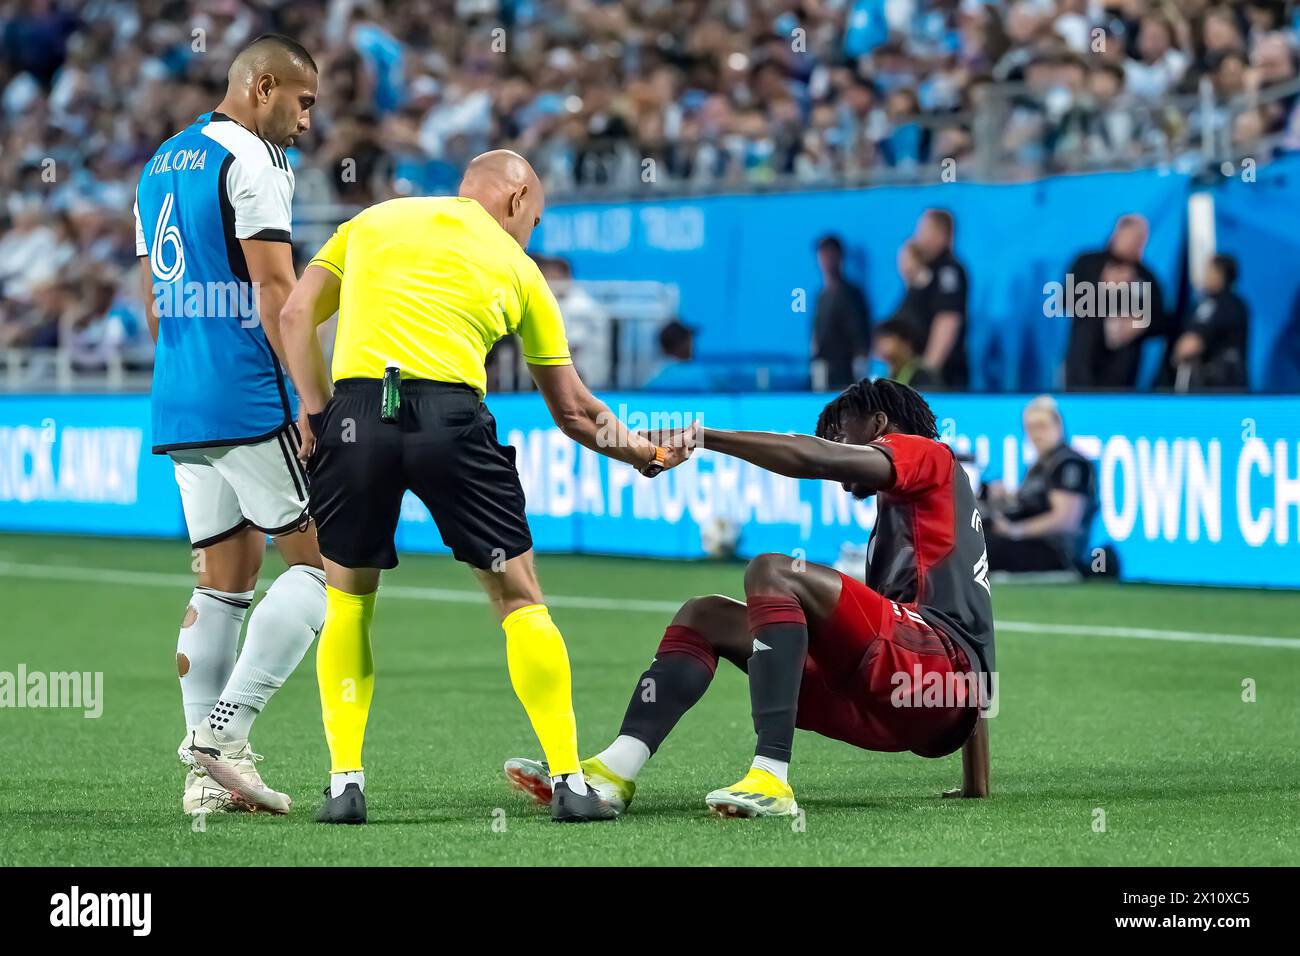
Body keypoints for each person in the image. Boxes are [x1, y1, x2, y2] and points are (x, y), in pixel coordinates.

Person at [278, 149, 694, 825]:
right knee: (517, 595)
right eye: (537, 215)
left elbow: (296, 317)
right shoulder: (518, 269)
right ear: (516, 196)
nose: (533, 229)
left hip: (358, 420)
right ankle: (569, 781)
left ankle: (344, 785)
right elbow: (577, 412)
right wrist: (643, 453)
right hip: (452, 423)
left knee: (349, 601)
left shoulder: (374, 221)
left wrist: (321, 413)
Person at [505, 379, 994, 817]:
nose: (834, 444)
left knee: (774, 571)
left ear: (881, 425)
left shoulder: (928, 454)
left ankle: (771, 776)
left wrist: (703, 436)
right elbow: (978, 641)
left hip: (926, 681)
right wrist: (977, 783)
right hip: (912, 713)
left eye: (840, 432)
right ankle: (613, 771)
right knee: (706, 615)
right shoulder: (919, 515)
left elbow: (813, 457)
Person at [132, 34, 325, 816]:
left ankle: (205, 783)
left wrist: (187, 381)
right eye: (303, 103)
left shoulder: (157, 166)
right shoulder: (251, 158)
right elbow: (277, 290)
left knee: (223, 582)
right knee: (328, 565)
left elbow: (155, 302)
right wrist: (313, 399)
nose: (307, 123)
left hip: (180, 397)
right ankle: (222, 734)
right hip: (245, 395)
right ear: (264, 84)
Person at [982, 396, 1095, 573]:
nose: (1035, 434)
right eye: (1030, 428)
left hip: (1053, 551)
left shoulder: (1069, 464)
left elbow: (1066, 520)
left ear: (1058, 426)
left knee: (980, 548)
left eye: (1041, 426)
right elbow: (1031, 504)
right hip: (1028, 543)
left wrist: (1014, 531)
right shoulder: (1039, 465)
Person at [1063, 214, 1167, 390]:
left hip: (1122, 375)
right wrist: (1104, 288)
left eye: (1140, 240)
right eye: (1132, 238)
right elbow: (1068, 302)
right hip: (1082, 370)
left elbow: (1162, 321)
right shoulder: (1088, 264)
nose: (1135, 245)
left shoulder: (1146, 277)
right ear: (1117, 234)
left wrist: (1139, 324)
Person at [908, 210, 970, 388]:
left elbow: (948, 319)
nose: (917, 239)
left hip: (942, 377)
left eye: (923, 232)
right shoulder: (927, 271)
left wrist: (928, 370)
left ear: (941, 235)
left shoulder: (948, 272)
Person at [1171, 254, 1249, 391]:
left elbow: (1191, 344)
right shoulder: (1203, 303)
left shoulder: (1228, 305)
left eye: (1210, 271)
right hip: (1203, 382)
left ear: (1222, 275)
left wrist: (1179, 354)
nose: (1205, 276)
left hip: (1223, 384)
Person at [811, 234, 871, 389]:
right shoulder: (821, 296)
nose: (826, 260)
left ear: (840, 257)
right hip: (822, 371)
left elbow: (860, 335)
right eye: (823, 254)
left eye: (831, 254)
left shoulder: (852, 294)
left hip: (846, 374)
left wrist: (860, 370)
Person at [872, 317, 937, 389]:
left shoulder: (920, 374)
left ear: (906, 344)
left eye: (887, 339)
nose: (882, 346)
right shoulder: (885, 373)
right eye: (879, 341)